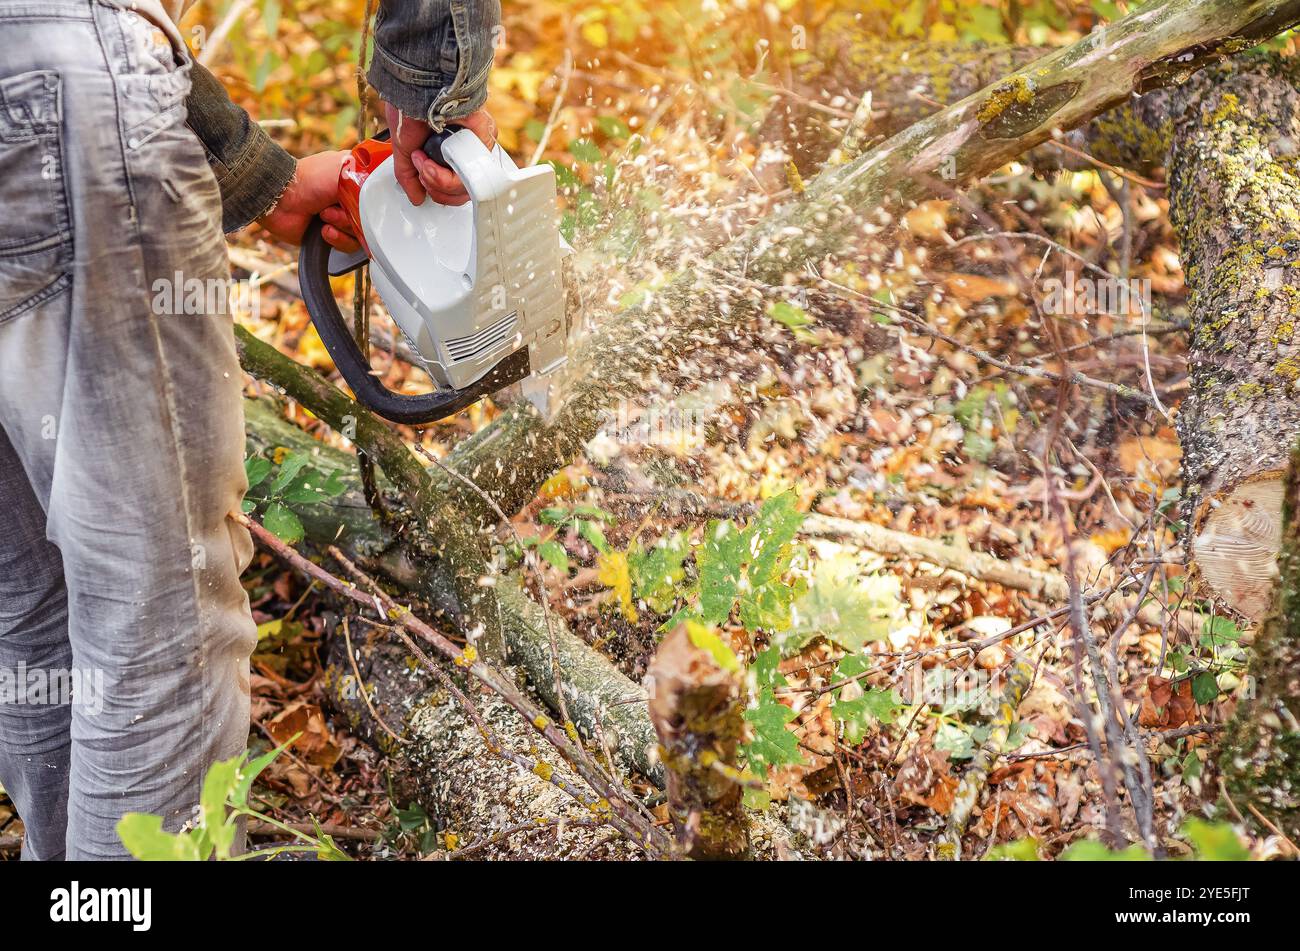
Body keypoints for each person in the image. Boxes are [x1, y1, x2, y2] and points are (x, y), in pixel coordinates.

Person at [0, 0, 498, 860]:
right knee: (162, 633)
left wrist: (257, 175)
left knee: (35, 599)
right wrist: (437, 97)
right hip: (62, 89)